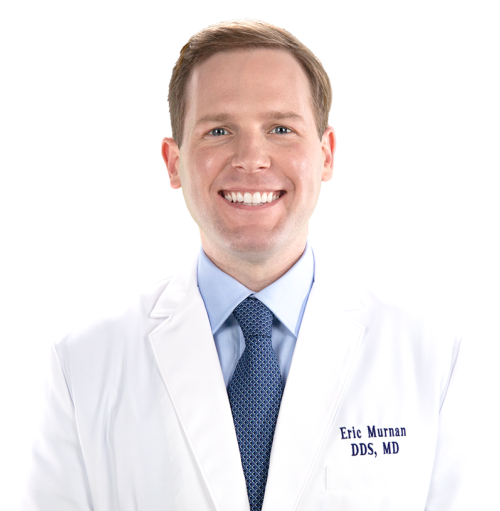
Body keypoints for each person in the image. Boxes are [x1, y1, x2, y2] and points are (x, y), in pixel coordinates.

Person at [19, 18, 498, 511]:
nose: (251, 159)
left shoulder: (433, 351)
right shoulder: (83, 362)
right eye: (219, 130)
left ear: (326, 154)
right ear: (172, 162)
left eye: (281, 129)